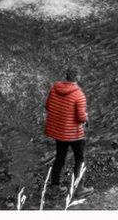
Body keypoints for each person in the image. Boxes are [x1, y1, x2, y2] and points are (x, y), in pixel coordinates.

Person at [44, 67, 92, 196]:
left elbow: (48, 106)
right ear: (78, 77)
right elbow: (81, 117)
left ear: (66, 76)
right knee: (79, 158)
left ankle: (54, 188)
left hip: (59, 131)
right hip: (74, 134)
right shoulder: (79, 95)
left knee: (60, 158)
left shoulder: (54, 89)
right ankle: (79, 188)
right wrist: (87, 118)